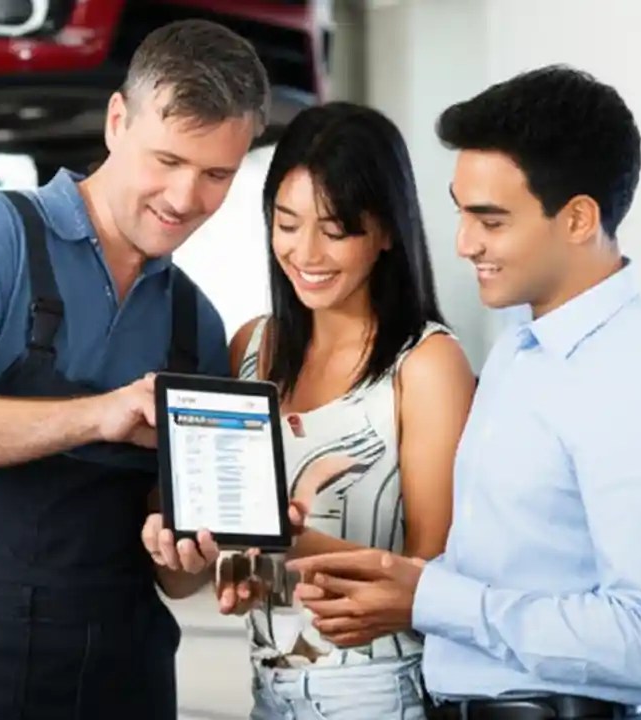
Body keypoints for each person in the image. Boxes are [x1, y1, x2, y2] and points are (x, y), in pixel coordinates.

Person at [287, 65, 641, 720]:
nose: (465, 243)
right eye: (461, 212)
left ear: (579, 218)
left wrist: (429, 599)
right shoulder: (519, 352)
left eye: (491, 220)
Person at [0, 19, 271, 719]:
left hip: (126, 673)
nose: (183, 198)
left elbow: (174, 581)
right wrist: (99, 413)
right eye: (165, 160)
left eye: (215, 175)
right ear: (117, 121)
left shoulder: (192, 324)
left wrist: (193, 552)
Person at [142, 101, 477, 719]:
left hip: (381, 695)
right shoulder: (250, 348)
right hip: (268, 694)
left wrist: (292, 536)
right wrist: (210, 559)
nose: (307, 252)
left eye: (336, 227)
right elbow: (199, 578)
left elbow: (434, 579)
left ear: (385, 231)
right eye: (287, 223)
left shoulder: (425, 364)